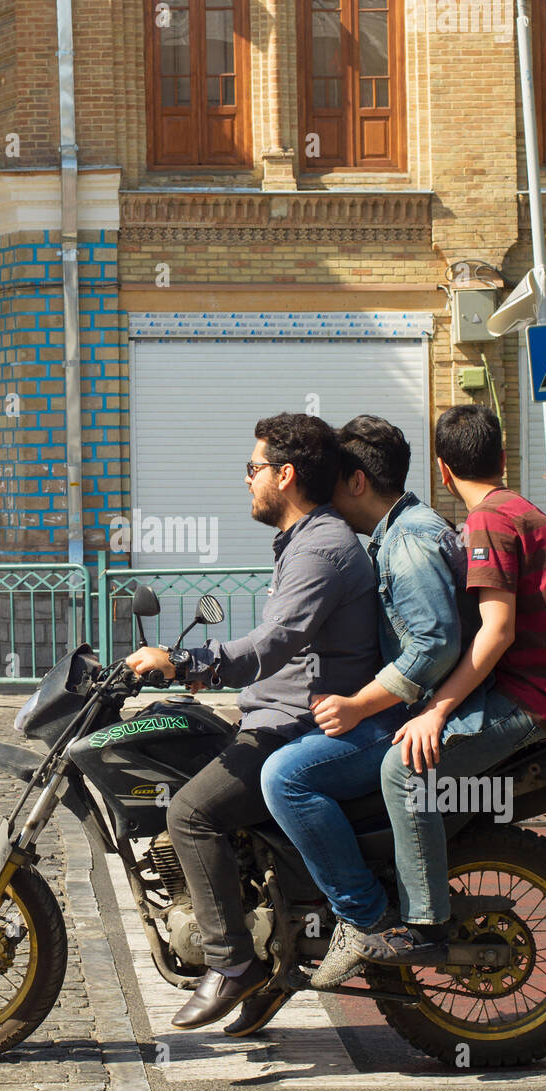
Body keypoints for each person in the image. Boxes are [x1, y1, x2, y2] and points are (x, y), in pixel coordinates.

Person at [318, 404, 546, 980]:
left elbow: (497, 631)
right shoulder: (519, 510)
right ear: (501, 457)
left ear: (443, 471)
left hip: (539, 695)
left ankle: (420, 926)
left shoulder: (490, 522)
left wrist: (437, 710)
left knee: (403, 769)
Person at [124, 412, 380, 1033]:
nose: (247, 480)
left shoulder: (320, 548)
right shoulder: (305, 541)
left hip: (295, 726)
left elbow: (275, 641)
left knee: (190, 812)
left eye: (254, 468)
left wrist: (186, 661)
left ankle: (232, 962)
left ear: (285, 475)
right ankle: (272, 961)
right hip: (278, 713)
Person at [260, 415, 475, 989]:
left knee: (286, 778)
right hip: (402, 709)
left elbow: (434, 644)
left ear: (356, 482)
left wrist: (357, 705)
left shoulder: (407, 543)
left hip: (409, 715)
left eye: (330, 482)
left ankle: (361, 916)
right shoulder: (394, 533)